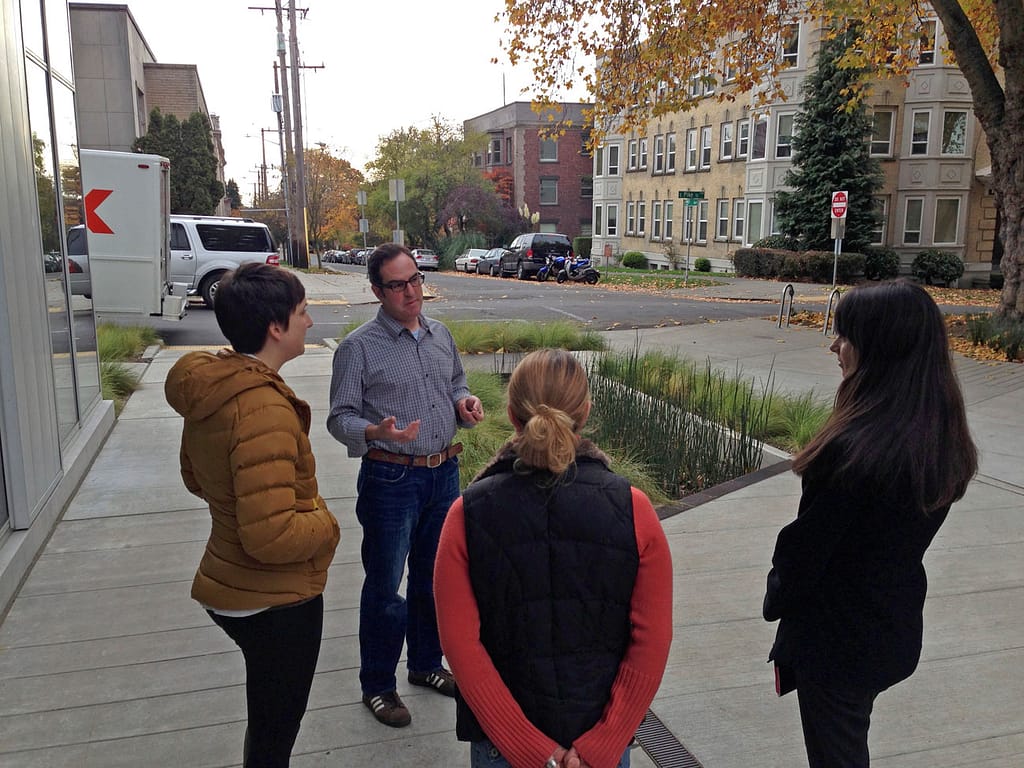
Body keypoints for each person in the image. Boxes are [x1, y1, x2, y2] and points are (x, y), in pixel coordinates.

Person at [763, 279, 978, 768]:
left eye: (846, 336)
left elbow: (806, 555)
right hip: (890, 629)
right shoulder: (938, 440)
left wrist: (777, 594)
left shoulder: (855, 450)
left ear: (880, 348)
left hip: (835, 644)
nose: (834, 346)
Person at [435, 348, 673, 768]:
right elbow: (652, 640)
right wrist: (606, 741)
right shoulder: (634, 510)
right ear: (586, 411)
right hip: (599, 739)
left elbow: (460, 645)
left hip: (501, 748)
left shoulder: (466, 513)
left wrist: (527, 746)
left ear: (511, 415)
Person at [164, 263, 341, 768]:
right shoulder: (262, 407)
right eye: (303, 312)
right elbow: (271, 536)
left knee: (266, 722)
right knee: (274, 733)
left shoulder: (217, 388)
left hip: (233, 583)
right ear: (275, 328)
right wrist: (327, 526)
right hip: (273, 600)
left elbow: (194, 476)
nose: (310, 321)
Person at [327, 243, 485, 728]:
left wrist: (465, 402)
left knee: (433, 579)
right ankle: (378, 685)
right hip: (390, 478)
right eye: (397, 284)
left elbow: (456, 383)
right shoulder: (358, 347)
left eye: (414, 279)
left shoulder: (440, 335)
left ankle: (424, 665)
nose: (411, 291)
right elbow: (339, 418)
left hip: (443, 475)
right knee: (385, 588)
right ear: (377, 290)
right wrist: (374, 432)